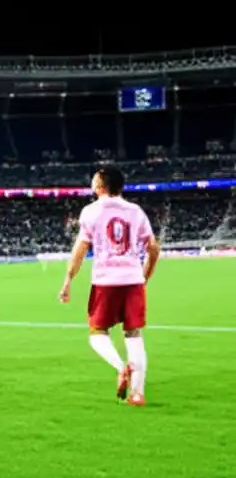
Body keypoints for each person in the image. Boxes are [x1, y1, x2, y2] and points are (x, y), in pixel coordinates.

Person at [58, 166, 160, 406]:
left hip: (105, 281)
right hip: (133, 280)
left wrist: (68, 281)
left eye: (95, 178)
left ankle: (119, 366)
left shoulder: (90, 212)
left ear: (100, 186)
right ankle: (137, 393)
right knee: (134, 335)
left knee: (97, 333)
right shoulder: (136, 211)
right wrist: (145, 275)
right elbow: (153, 248)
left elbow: (80, 250)